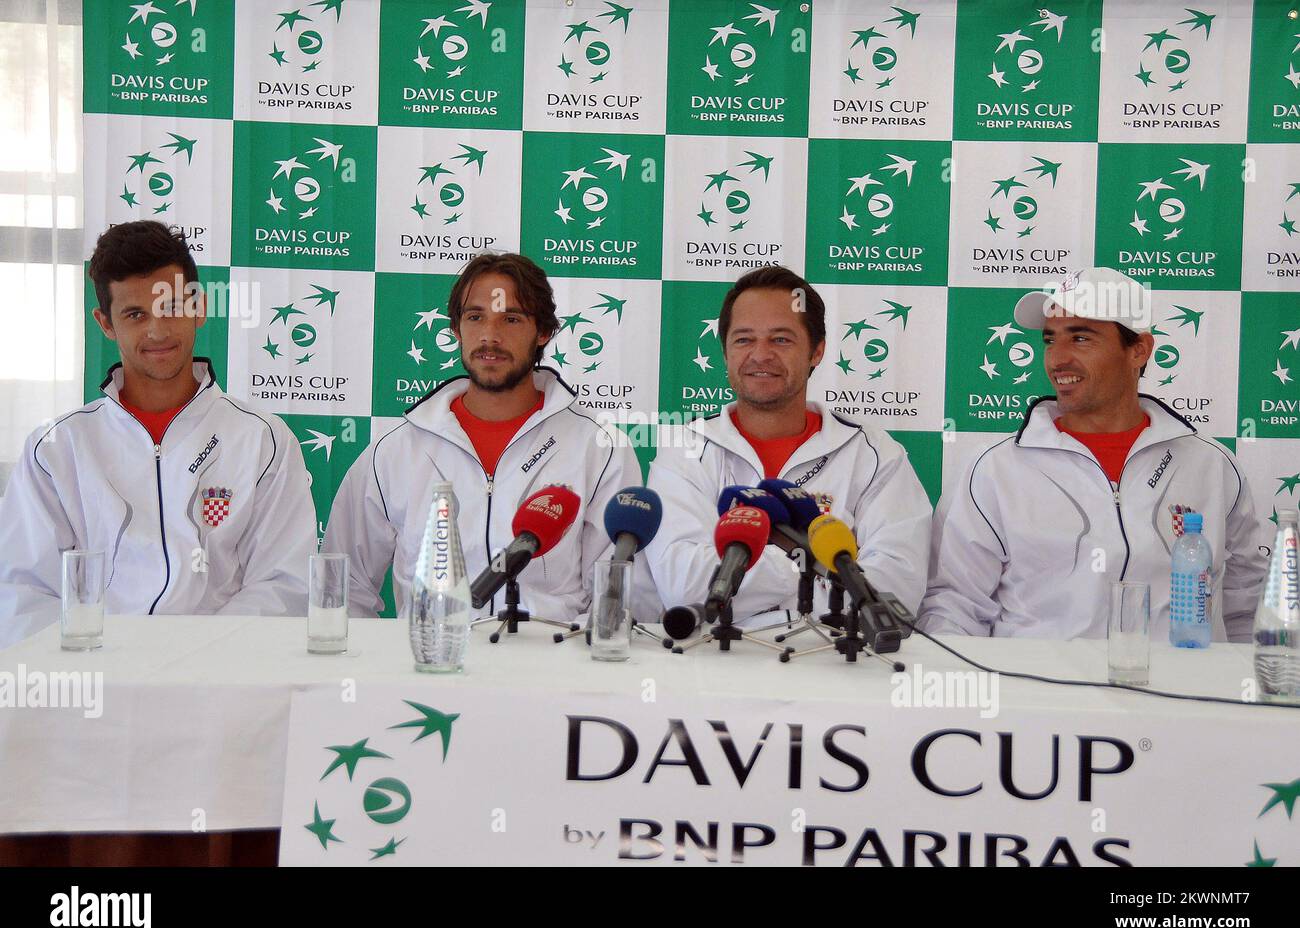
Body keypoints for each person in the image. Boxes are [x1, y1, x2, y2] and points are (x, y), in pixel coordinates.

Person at [0, 220, 316, 645]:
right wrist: (109, 660)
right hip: (99, 688)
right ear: (106, 324)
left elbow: (287, 584)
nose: (157, 331)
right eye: (135, 314)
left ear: (199, 307)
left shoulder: (263, 439)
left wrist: (192, 661)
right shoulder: (57, 449)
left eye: (171, 308)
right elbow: (23, 592)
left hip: (221, 688)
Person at [918, 266, 1267, 641]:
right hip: (1040, 696)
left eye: (1081, 338)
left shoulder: (1211, 464)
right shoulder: (992, 468)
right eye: (1050, 340)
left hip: (1180, 695)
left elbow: (1249, 602)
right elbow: (953, 607)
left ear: (1139, 350)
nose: (1057, 359)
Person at [324, 252, 645, 623]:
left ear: (543, 331)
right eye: (476, 317)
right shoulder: (395, 451)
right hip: (431, 667)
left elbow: (615, 593)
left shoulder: (600, 448)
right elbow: (344, 588)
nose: (490, 336)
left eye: (510, 319)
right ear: (456, 330)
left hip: (552, 669)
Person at [645, 266, 932, 624]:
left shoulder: (875, 454)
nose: (760, 355)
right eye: (744, 339)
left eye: (781, 339)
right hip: (712, 665)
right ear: (725, 353)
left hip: (835, 665)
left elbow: (894, 589)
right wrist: (820, 565)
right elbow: (683, 586)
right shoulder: (684, 450)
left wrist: (741, 572)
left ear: (816, 352)